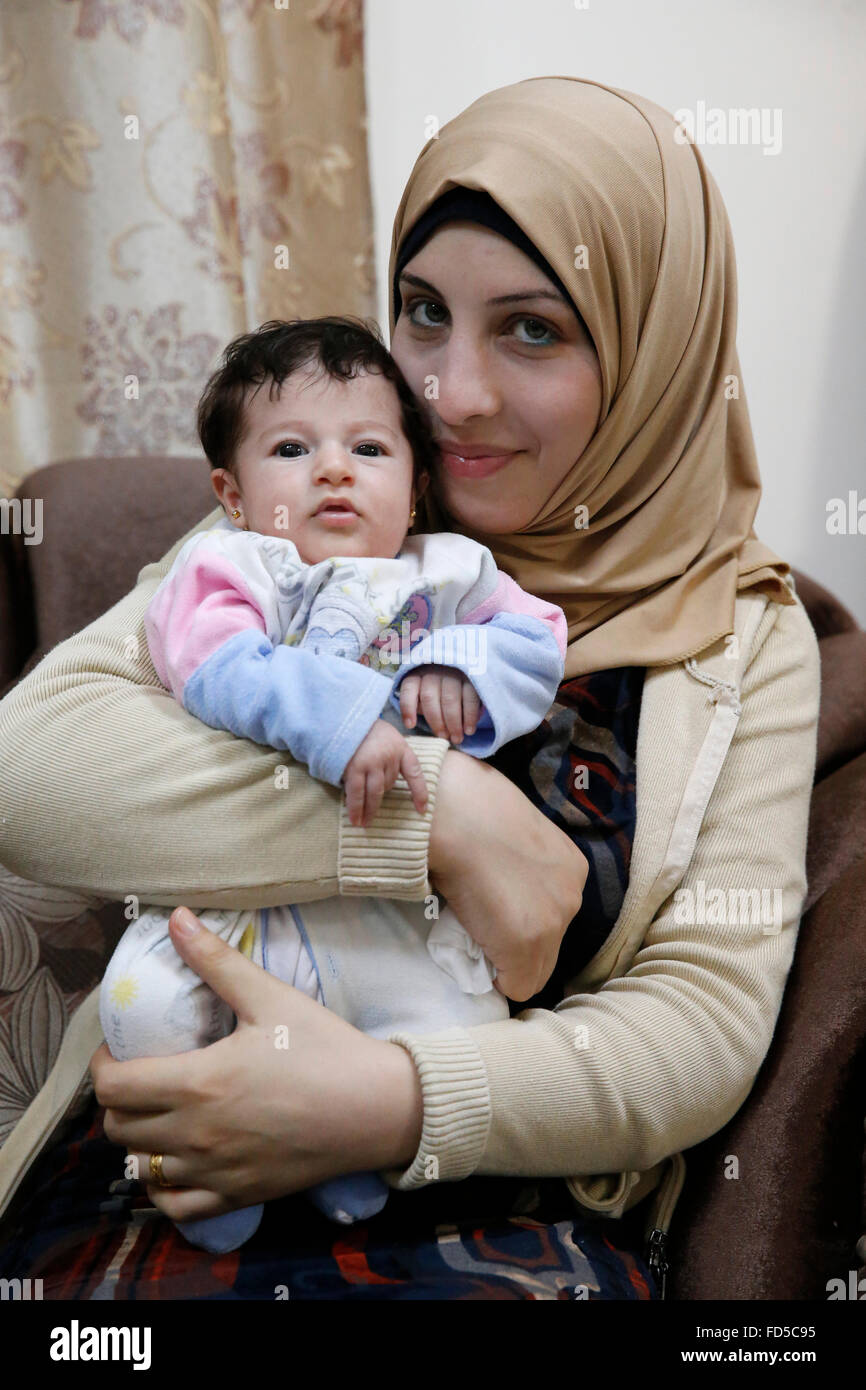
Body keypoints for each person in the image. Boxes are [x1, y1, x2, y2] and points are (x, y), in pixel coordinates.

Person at [0, 75, 820, 1300]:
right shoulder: (310, 523)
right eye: (422, 314)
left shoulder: (740, 637)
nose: (450, 392)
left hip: (490, 1193)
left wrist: (388, 1101)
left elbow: (696, 1027)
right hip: (168, 1142)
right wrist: (440, 819)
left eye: (533, 329)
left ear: (655, 342)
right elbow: (30, 771)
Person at [98, 314, 568, 1252]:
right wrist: (344, 716)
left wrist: (459, 668)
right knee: (139, 1002)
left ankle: (348, 1163)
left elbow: (537, 643)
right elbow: (214, 666)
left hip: (401, 920)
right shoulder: (230, 568)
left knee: (454, 1025)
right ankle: (211, 1186)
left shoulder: (452, 573)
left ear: (417, 484)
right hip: (247, 907)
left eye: (367, 447)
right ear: (232, 494)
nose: (333, 469)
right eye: (290, 448)